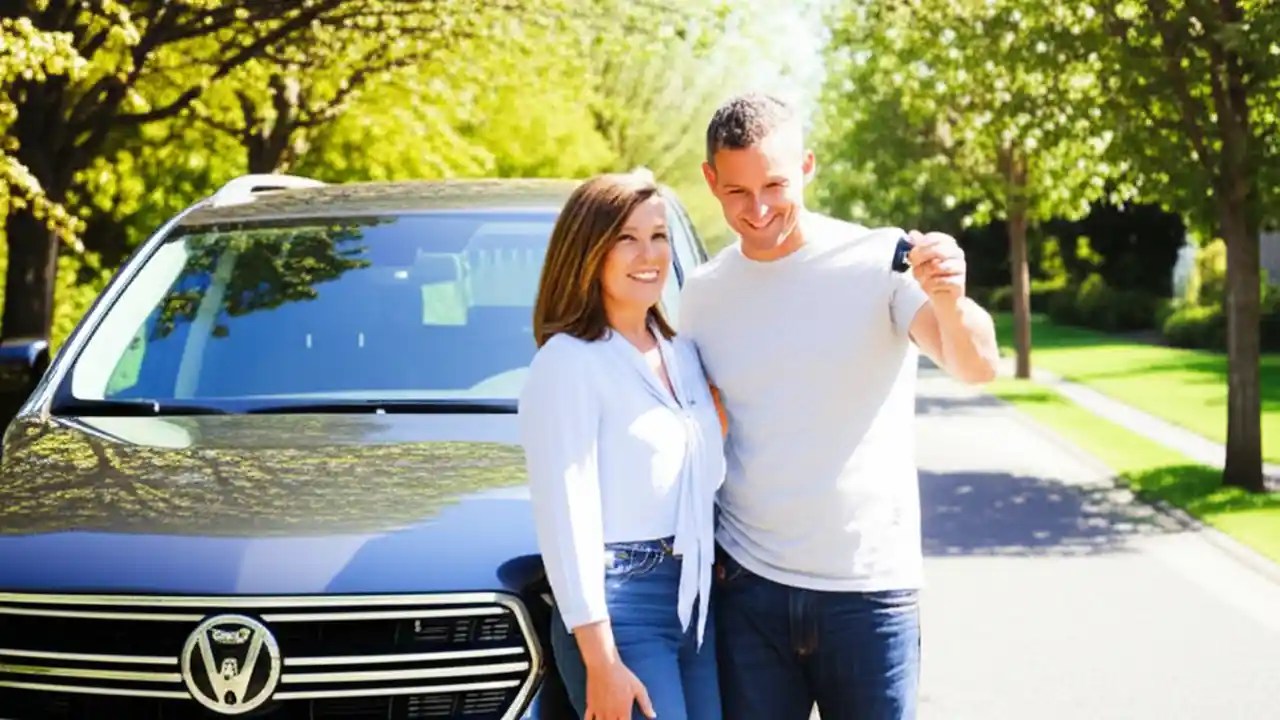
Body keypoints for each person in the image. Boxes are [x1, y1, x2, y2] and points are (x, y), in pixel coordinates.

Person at [679, 93, 1001, 720]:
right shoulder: (703, 294)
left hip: (869, 594)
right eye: (737, 191)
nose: (760, 208)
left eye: (775, 183)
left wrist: (950, 300)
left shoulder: (879, 260)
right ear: (710, 180)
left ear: (806, 166)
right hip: (751, 594)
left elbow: (976, 366)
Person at [518, 172, 726, 720]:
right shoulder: (567, 362)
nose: (649, 253)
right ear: (588, 251)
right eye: (626, 238)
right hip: (621, 610)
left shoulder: (681, 353)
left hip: (695, 603)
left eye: (658, 236)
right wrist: (600, 659)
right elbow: (565, 518)